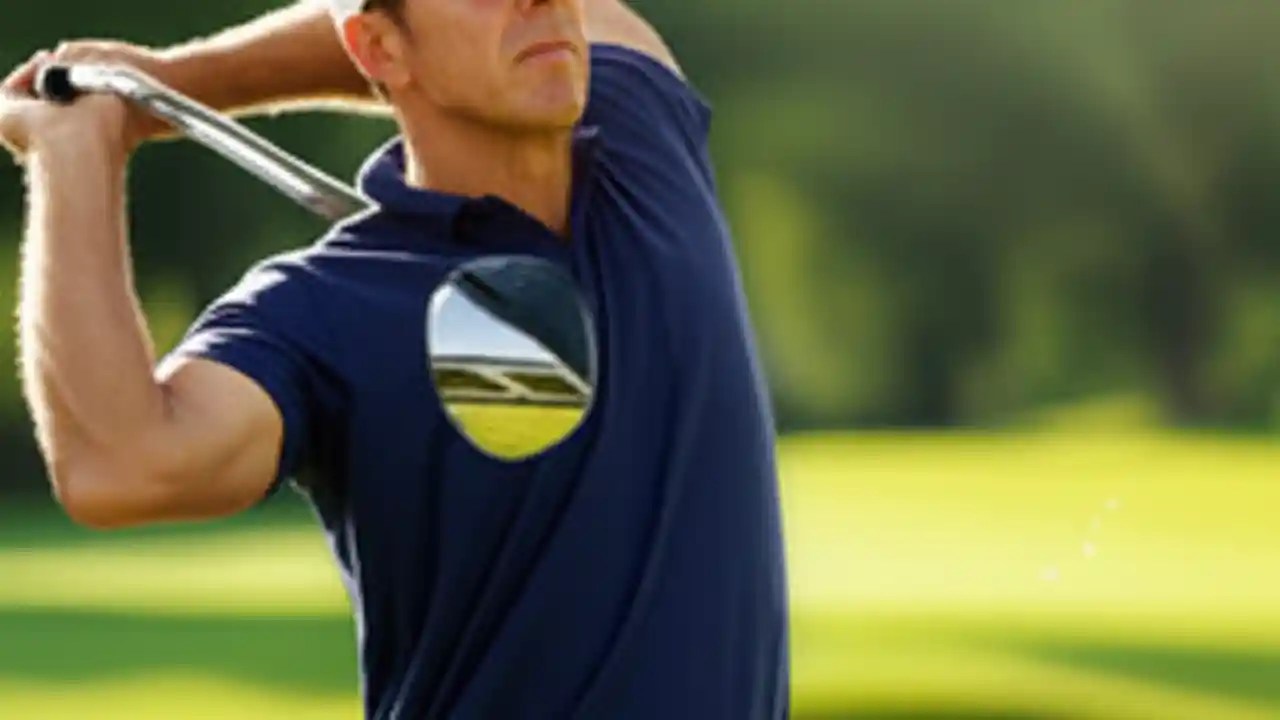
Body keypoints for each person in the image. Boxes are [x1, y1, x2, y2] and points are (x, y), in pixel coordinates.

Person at [0, 1, 789, 717]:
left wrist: (172, 83)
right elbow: (120, 467)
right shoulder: (322, 310)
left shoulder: (644, 139)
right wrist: (75, 154)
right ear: (378, 48)